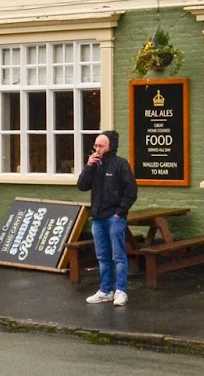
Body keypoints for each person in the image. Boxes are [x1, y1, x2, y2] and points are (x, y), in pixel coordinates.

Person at [77, 129, 138, 306]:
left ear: (110, 146)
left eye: (101, 145)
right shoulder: (95, 165)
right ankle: (105, 290)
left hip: (114, 217)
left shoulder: (120, 164)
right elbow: (82, 186)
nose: (97, 149)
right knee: (103, 256)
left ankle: (121, 291)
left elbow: (131, 191)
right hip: (98, 217)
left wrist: (120, 212)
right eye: (95, 145)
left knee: (118, 256)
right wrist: (88, 166)